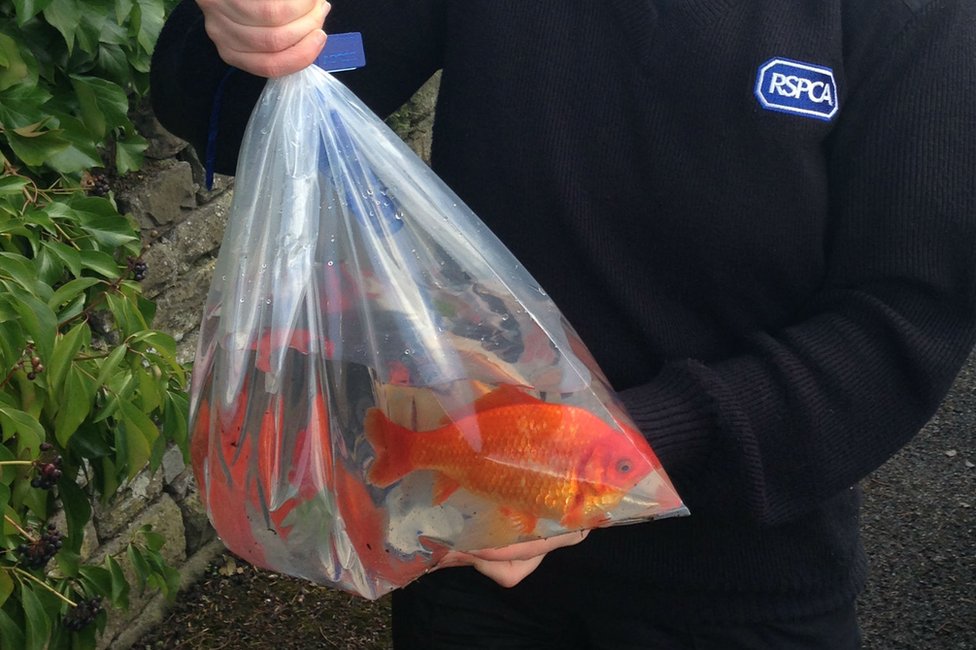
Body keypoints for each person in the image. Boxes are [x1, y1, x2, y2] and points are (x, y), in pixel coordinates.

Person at [150, 1, 976, 648]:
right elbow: (243, 106)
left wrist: (613, 451)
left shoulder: (911, 13)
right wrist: (235, 29)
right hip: (478, 556)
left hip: (742, 577)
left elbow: (903, 320)